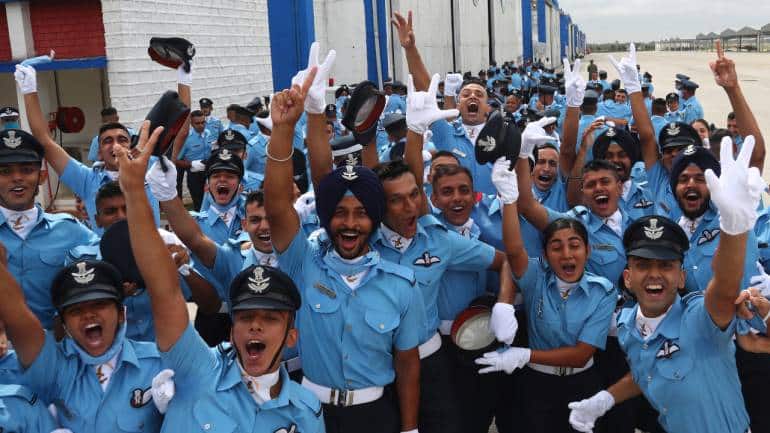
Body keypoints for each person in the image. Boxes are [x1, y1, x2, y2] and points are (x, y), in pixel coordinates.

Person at [114, 120, 324, 432]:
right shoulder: (197, 370)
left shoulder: (305, 411)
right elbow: (165, 290)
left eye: (270, 318)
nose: (255, 325)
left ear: (291, 334)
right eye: (245, 316)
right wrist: (136, 192)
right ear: (230, 330)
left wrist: (286, 128)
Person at [268, 46, 424, 433]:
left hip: (375, 416)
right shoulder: (303, 262)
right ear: (326, 218)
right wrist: (286, 129)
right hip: (311, 414)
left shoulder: (401, 285)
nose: (349, 224)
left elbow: (407, 364)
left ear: (374, 219)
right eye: (339, 213)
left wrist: (409, 429)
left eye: (360, 214)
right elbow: (276, 209)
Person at [568, 137, 765, 433]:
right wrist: (606, 398)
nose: (654, 275)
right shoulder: (626, 325)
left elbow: (723, 288)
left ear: (682, 277)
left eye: (666, 265)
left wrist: (734, 227)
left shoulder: (699, 317)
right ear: (628, 278)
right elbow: (649, 367)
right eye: (643, 265)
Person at [476, 157, 616, 433]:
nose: (566, 254)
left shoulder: (603, 291)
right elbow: (514, 251)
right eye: (556, 247)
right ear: (545, 255)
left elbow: (580, 354)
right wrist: (509, 200)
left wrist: (526, 355)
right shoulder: (536, 277)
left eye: (574, 245)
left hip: (582, 383)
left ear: (587, 251)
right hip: (537, 387)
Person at [0, 253, 165, 432]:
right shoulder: (54, 366)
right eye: (76, 310)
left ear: (120, 314)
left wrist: (179, 407)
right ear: (64, 324)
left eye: (99, 305)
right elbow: (17, 315)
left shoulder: (159, 363)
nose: (88, 315)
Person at [15, 62, 166, 234]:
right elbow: (45, 141)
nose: (116, 145)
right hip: (105, 257)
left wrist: (185, 74)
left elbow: (179, 129)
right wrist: (29, 90)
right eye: (107, 141)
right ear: (99, 153)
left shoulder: (150, 168)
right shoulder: (86, 180)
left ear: (130, 147)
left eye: (122, 139)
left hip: (152, 257)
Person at [0, 127, 97, 329]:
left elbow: (109, 262)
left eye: (27, 169)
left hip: (57, 350)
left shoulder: (71, 231)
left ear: (42, 176)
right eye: (5, 171)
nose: (17, 177)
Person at [173, 109, 213, 211]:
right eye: (197, 123)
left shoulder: (208, 133)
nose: (201, 125)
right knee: (199, 205)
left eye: (203, 122)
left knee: (212, 203)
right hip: (195, 176)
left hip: (209, 173)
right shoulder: (186, 139)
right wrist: (192, 164)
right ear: (191, 123)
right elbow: (176, 160)